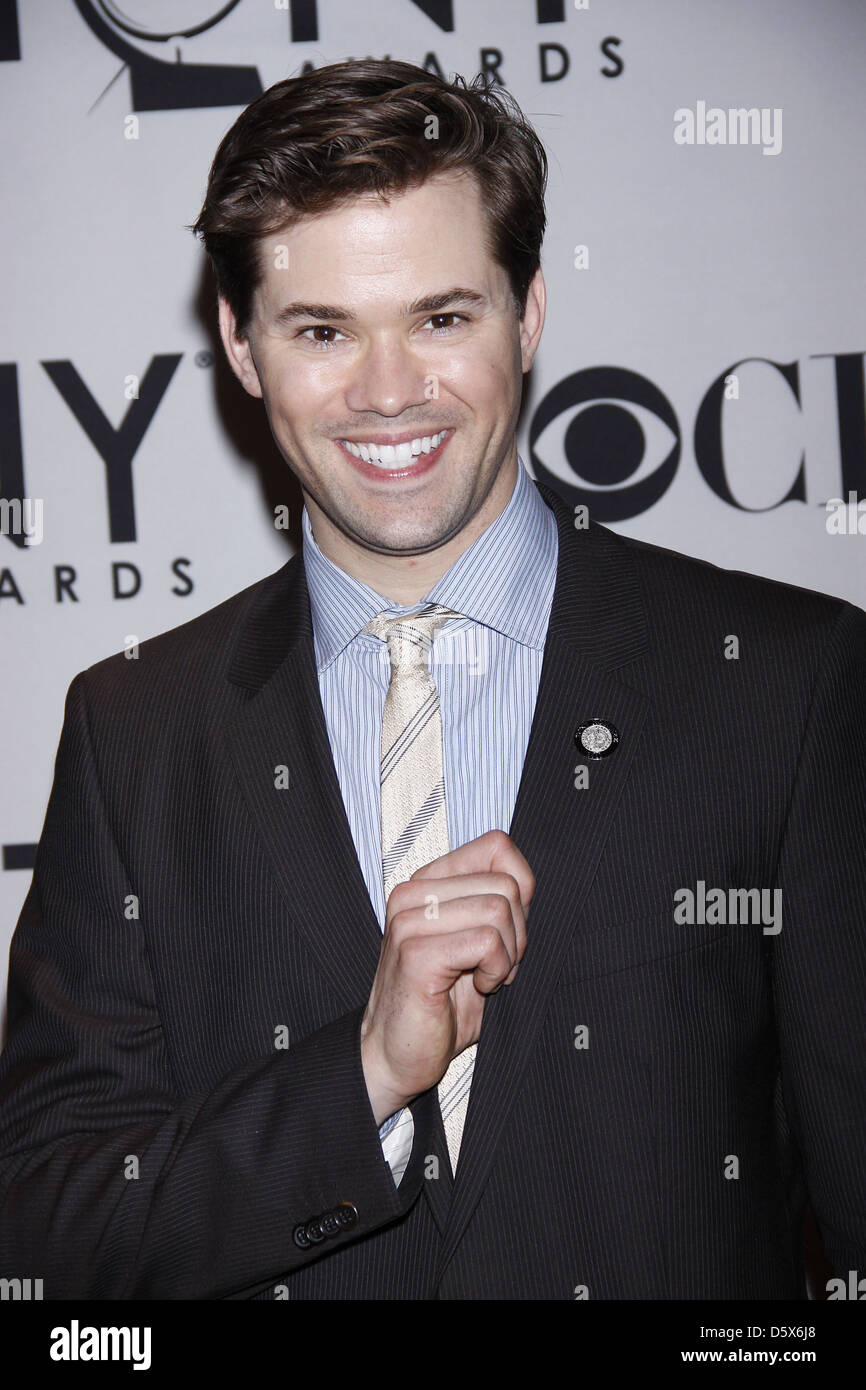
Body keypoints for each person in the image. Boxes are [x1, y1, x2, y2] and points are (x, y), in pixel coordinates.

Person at [0, 58, 864, 1302]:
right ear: (241, 349)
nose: (388, 391)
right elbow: (51, 1234)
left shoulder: (782, 685)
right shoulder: (134, 732)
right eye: (321, 331)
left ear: (527, 312)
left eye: (442, 317)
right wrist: (358, 1077)